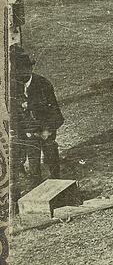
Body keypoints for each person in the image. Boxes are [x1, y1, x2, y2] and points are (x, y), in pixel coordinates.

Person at [10, 47, 64, 189]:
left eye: (20, 71)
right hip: (28, 135)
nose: (16, 76)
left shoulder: (43, 85)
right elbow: (14, 115)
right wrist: (24, 133)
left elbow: (56, 114)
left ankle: (57, 187)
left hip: (46, 131)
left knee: (52, 159)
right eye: (15, 72)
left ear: (29, 69)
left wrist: (48, 131)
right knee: (34, 169)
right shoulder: (13, 87)